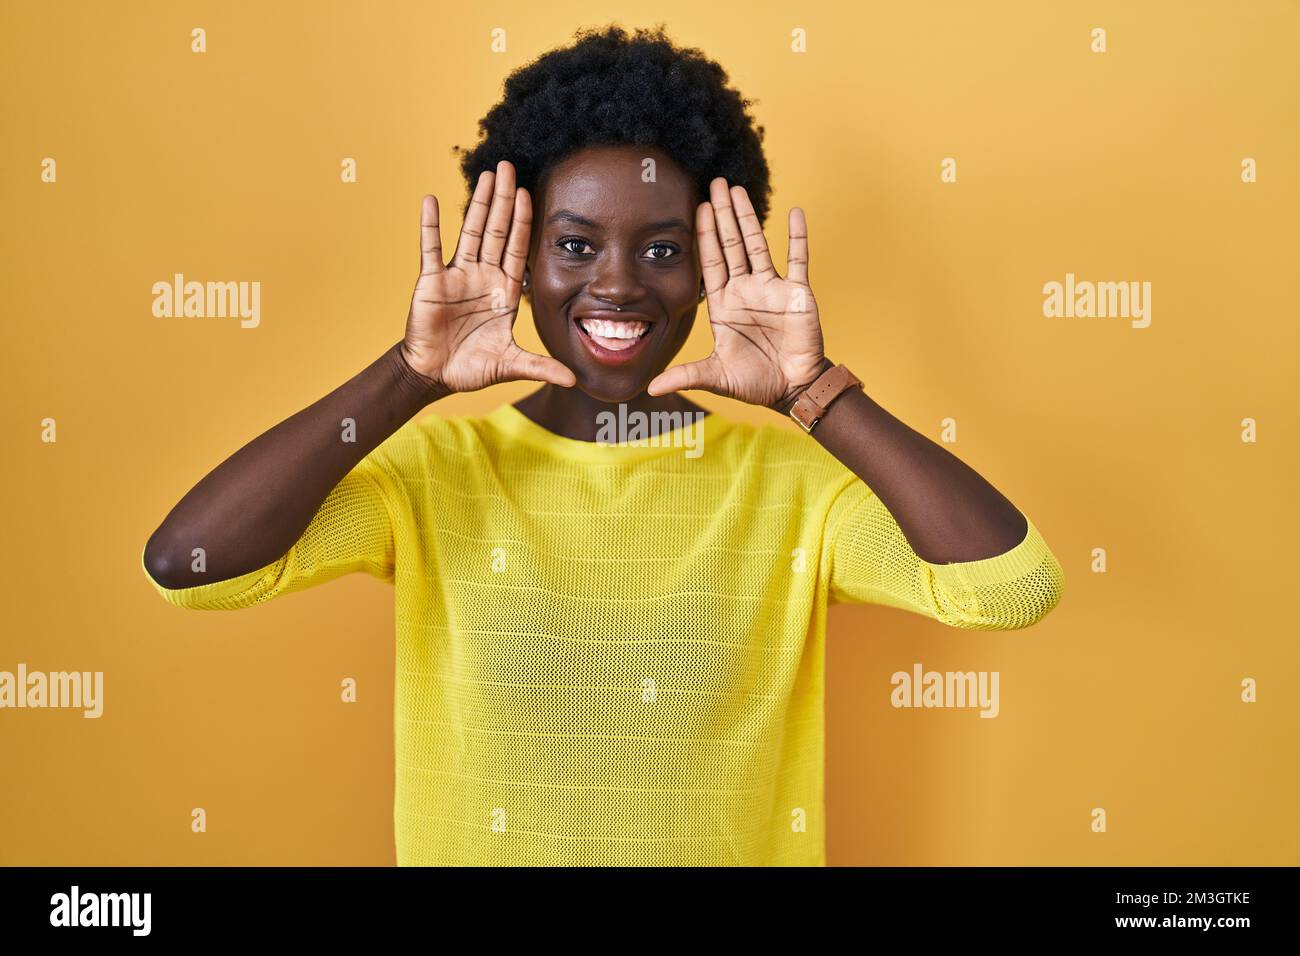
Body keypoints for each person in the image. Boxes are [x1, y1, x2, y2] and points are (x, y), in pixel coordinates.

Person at [142, 24, 1064, 866]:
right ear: (521, 262)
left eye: (663, 250)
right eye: (576, 246)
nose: (617, 286)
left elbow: (1011, 586)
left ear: (708, 273)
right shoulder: (436, 476)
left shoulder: (791, 488)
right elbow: (191, 565)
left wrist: (812, 392)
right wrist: (409, 375)